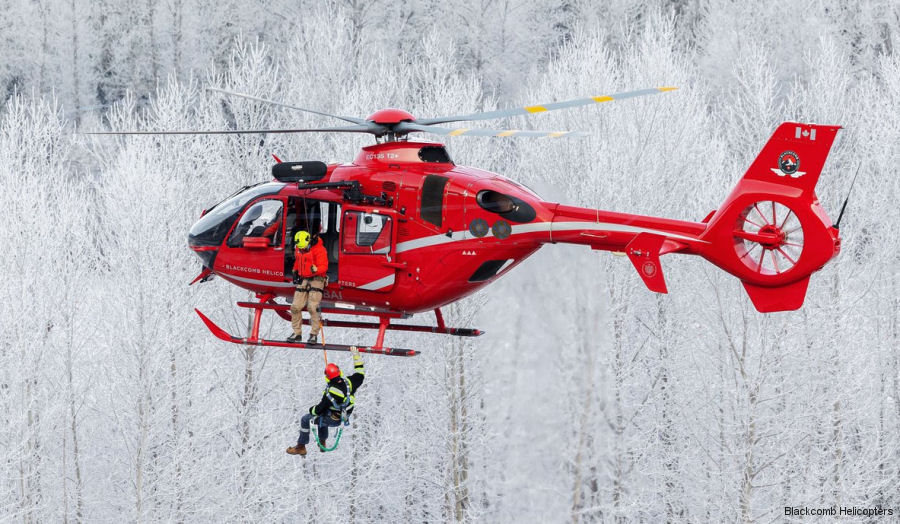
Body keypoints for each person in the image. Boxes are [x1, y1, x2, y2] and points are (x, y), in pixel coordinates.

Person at [287, 346, 365, 456]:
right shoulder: (349, 382)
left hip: (333, 419)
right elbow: (360, 373)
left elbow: (319, 409)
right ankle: (322, 442)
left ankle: (301, 446)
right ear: (339, 372)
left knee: (306, 419)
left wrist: (312, 409)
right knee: (321, 418)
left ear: (327, 377)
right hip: (343, 416)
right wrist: (356, 356)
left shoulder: (331, 392)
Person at [287, 230, 328, 344]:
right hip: (303, 277)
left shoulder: (320, 250)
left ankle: (314, 334)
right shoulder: (299, 249)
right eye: (300, 248)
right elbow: (298, 261)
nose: (302, 249)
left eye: (304, 247)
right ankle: (297, 333)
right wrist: (295, 271)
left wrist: (316, 269)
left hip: (317, 278)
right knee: (295, 307)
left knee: (312, 307)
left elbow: (324, 266)